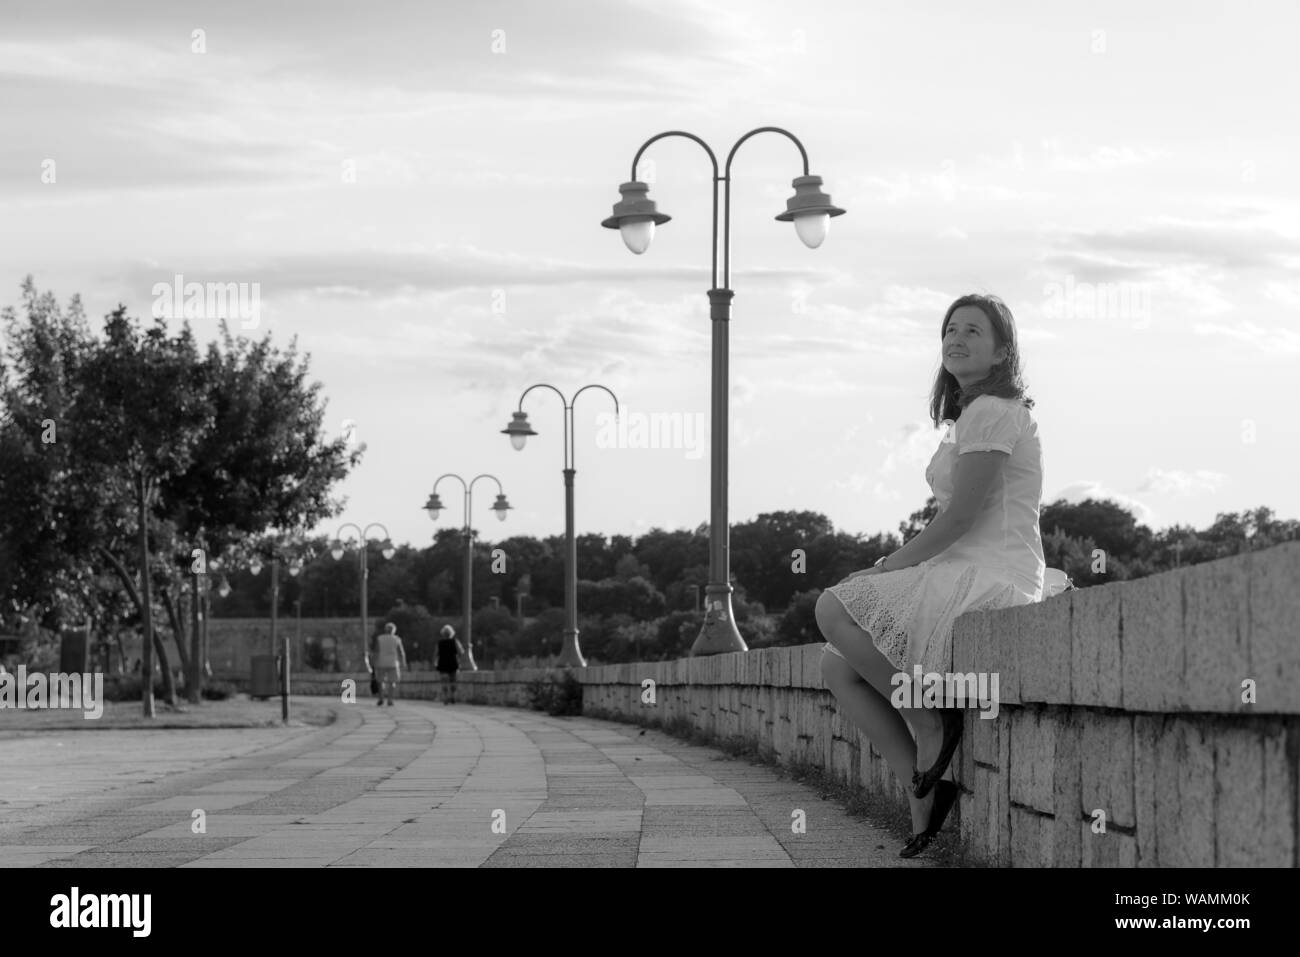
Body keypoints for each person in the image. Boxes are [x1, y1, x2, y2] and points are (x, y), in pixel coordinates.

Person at [815, 293, 1045, 858]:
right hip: (961, 566)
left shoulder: (995, 411)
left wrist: (888, 565)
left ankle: (926, 719)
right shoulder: (972, 417)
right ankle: (925, 790)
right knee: (836, 666)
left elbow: (961, 518)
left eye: (973, 331)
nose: (956, 339)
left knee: (833, 607)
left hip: (993, 573)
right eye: (950, 329)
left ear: (1002, 352)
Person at [372, 622, 407, 707]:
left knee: (380, 681)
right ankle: (390, 699)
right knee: (392, 681)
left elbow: (376, 651)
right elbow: (401, 652)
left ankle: (381, 698)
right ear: (394, 630)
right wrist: (403, 663)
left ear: (385, 630)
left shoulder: (380, 638)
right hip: (393, 663)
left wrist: (374, 662)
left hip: (381, 662)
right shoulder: (397, 639)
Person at [435, 624, 466, 704]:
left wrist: (435, 662)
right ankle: (452, 696)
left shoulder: (440, 643)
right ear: (451, 633)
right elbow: (461, 652)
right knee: (453, 680)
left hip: (442, 663)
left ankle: (445, 697)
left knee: (444, 681)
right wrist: (459, 657)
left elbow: (436, 653)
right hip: (453, 662)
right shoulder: (455, 641)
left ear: (443, 633)